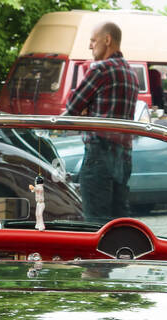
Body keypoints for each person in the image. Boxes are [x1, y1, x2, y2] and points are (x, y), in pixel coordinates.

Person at [61, 21, 138, 222]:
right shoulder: (131, 74)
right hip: (124, 158)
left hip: (99, 155)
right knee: (120, 221)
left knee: (96, 222)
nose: (90, 46)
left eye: (93, 41)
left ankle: (99, 256)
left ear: (107, 40)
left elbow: (71, 109)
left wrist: (86, 109)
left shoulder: (101, 70)